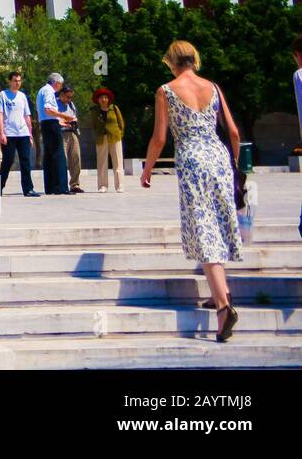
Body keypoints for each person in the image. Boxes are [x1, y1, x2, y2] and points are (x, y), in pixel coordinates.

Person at [141, 41, 243, 343]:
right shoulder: (212, 87)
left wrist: (147, 170)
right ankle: (220, 292)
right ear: (194, 60)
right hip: (218, 156)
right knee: (217, 225)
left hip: (192, 159)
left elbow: (159, 138)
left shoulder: (166, 90)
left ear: (172, 63)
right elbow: (234, 132)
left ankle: (224, 309)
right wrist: (234, 165)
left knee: (203, 228)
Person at [0, 72, 40, 198]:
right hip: (9, 133)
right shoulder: (3, 95)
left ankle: (28, 189)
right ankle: (0, 186)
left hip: (23, 133)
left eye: (19, 80)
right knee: (8, 161)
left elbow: (27, 116)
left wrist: (30, 134)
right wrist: (2, 133)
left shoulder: (22, 96)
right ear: (10, 81)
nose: (17, 83)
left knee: (25, 161)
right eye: (15, 80)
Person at [36, 73, 71, 195]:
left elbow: (44, 113)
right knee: (59, 155)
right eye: (60, 85)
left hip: (46, 124)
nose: (60, 87)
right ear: (56, 83)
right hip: (51, 126)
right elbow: (48, 109)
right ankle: (61, 187)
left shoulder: (42, 90)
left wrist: (60, 121)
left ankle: (50, 187)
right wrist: (64, 115)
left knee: (49, 156)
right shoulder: (49, 91)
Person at [92, 87, 125, 192]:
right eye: (101, 98)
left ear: (108, 99)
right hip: (101, 138)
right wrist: (96, 135)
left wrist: (120, 134)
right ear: (98, 100)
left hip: (115, 137)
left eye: (105, 97)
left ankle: (119, 186)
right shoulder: (95, 111)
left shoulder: (114, 108)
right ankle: (103, 186)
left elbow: (121, 123)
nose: (103, 100)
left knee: (118, 162)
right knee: (102, 163)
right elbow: (93, 125)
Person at [58, 84, 83, 194]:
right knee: (63, 160)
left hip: (72, 132)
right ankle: (61, 184)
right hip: (61, 133)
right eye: (67, 97)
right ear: (61, 95)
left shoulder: (71, 105)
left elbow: (74, 116)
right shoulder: (55, 104)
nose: (69, 99)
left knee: (76, 157)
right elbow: (57, 118)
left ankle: (74, 184)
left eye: (71, 97)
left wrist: (73, 121)